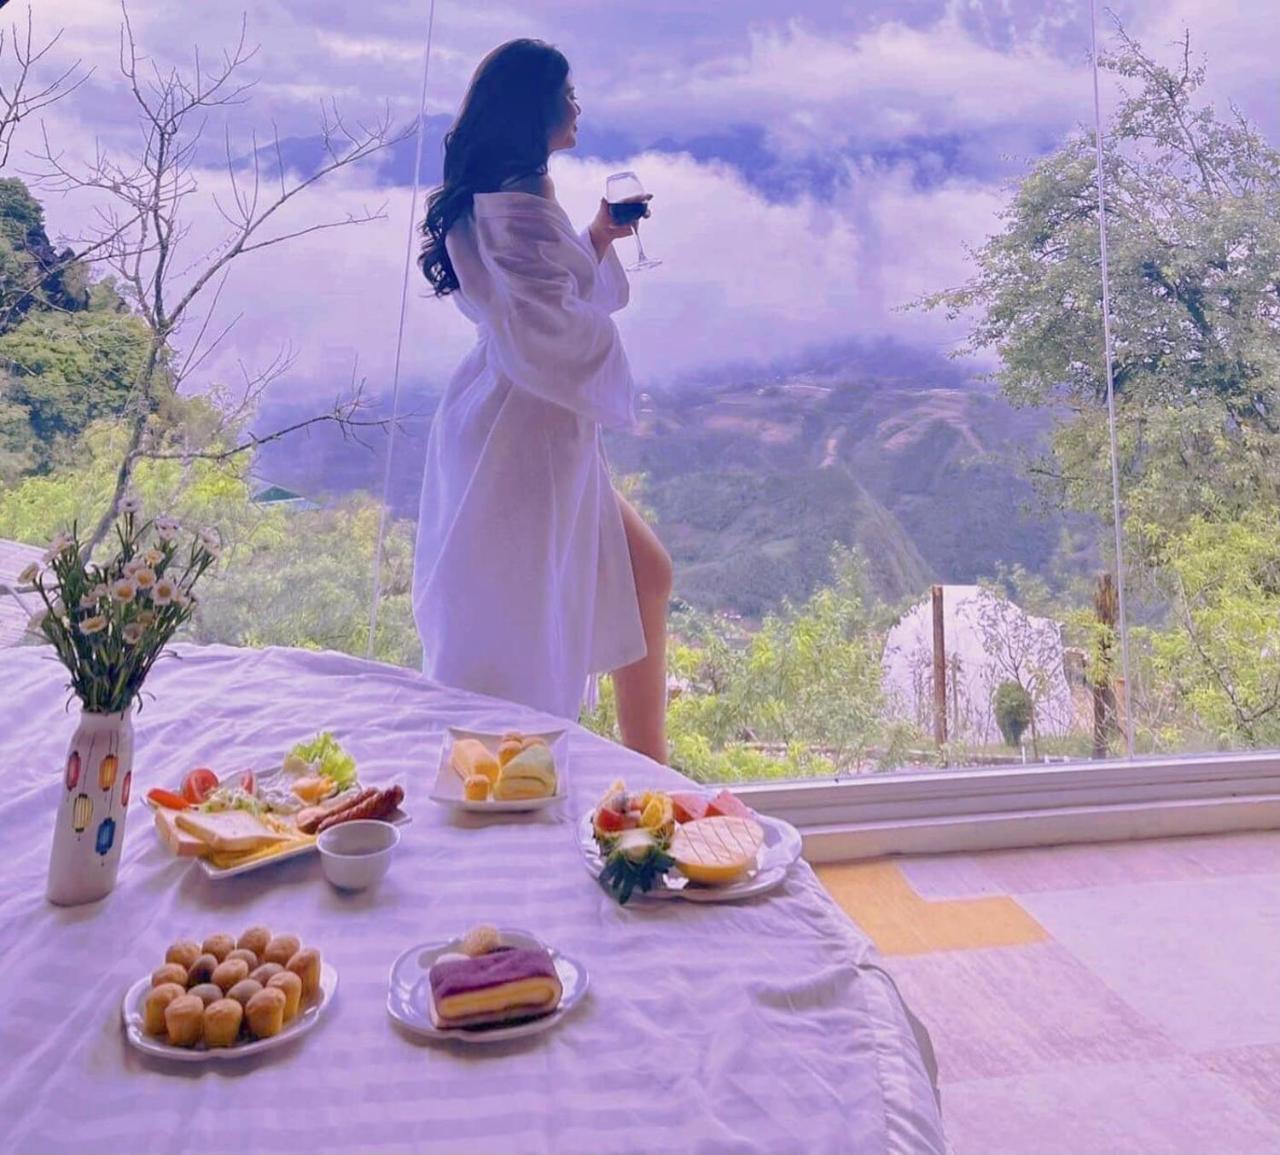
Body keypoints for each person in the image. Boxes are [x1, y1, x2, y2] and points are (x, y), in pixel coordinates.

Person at [414, 39, 670, 763]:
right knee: (517, 624)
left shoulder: (515, 194)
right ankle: (516, 768)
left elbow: (541, 299)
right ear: (537, 108)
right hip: (521, 434)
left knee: (641, 575)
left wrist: (592, 237)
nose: (577, 106)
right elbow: (542, 326)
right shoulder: (518, 206)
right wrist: (616, 363)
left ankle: (650, 772)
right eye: (568, 93)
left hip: (521, 417)